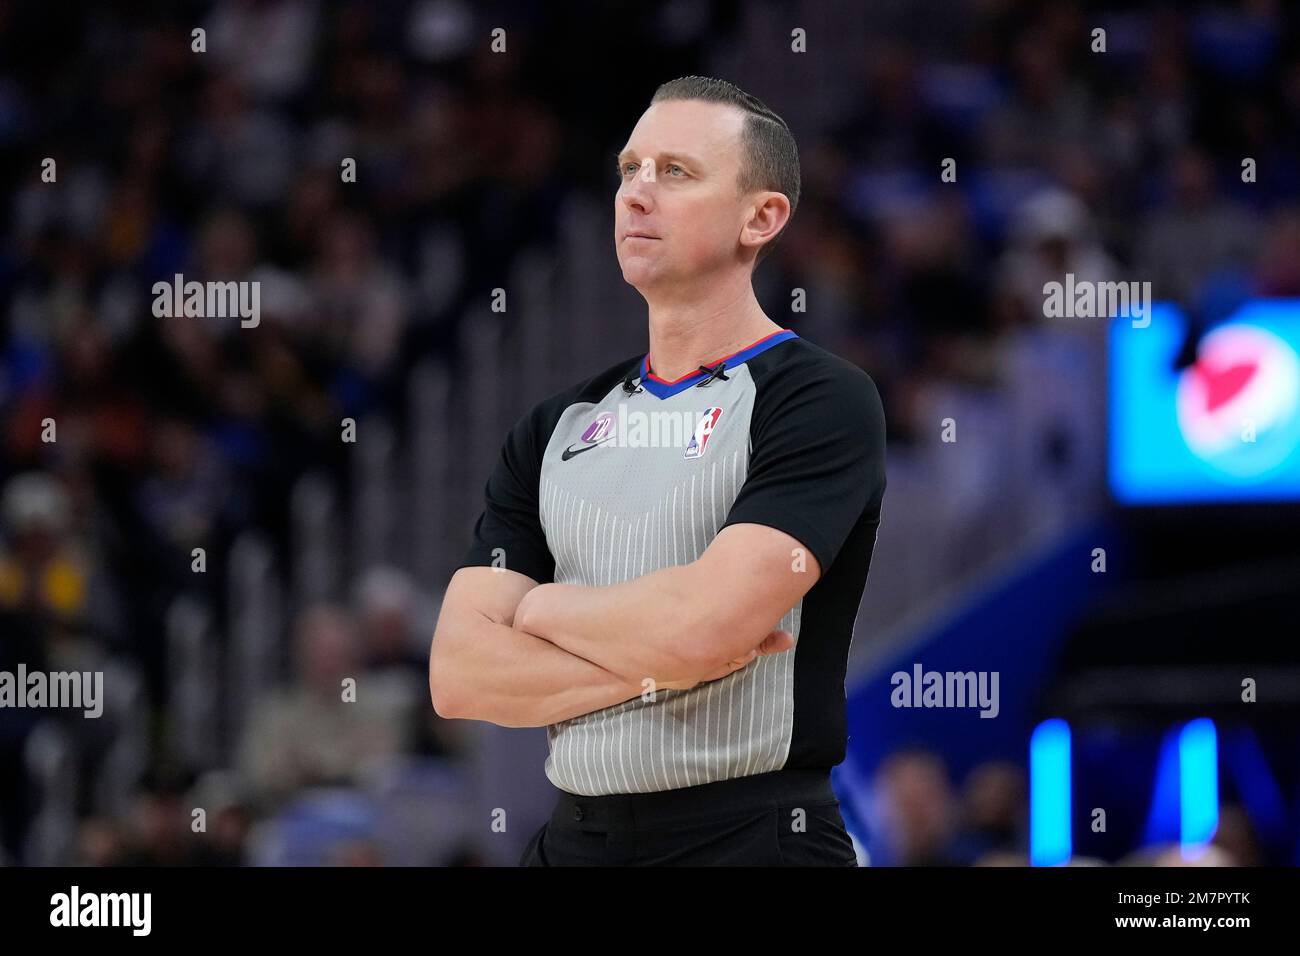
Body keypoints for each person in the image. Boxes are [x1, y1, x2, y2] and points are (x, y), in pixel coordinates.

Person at [429, 76, 887, 866]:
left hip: (751, 837)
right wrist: (669, 660)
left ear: (762, 216)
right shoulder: (551, 427)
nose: (637, 194)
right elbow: (461, 674)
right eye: (628, 169)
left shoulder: (821, 398)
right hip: (574, 836)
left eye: (674, 172)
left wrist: (536, 610)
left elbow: (706, 626)